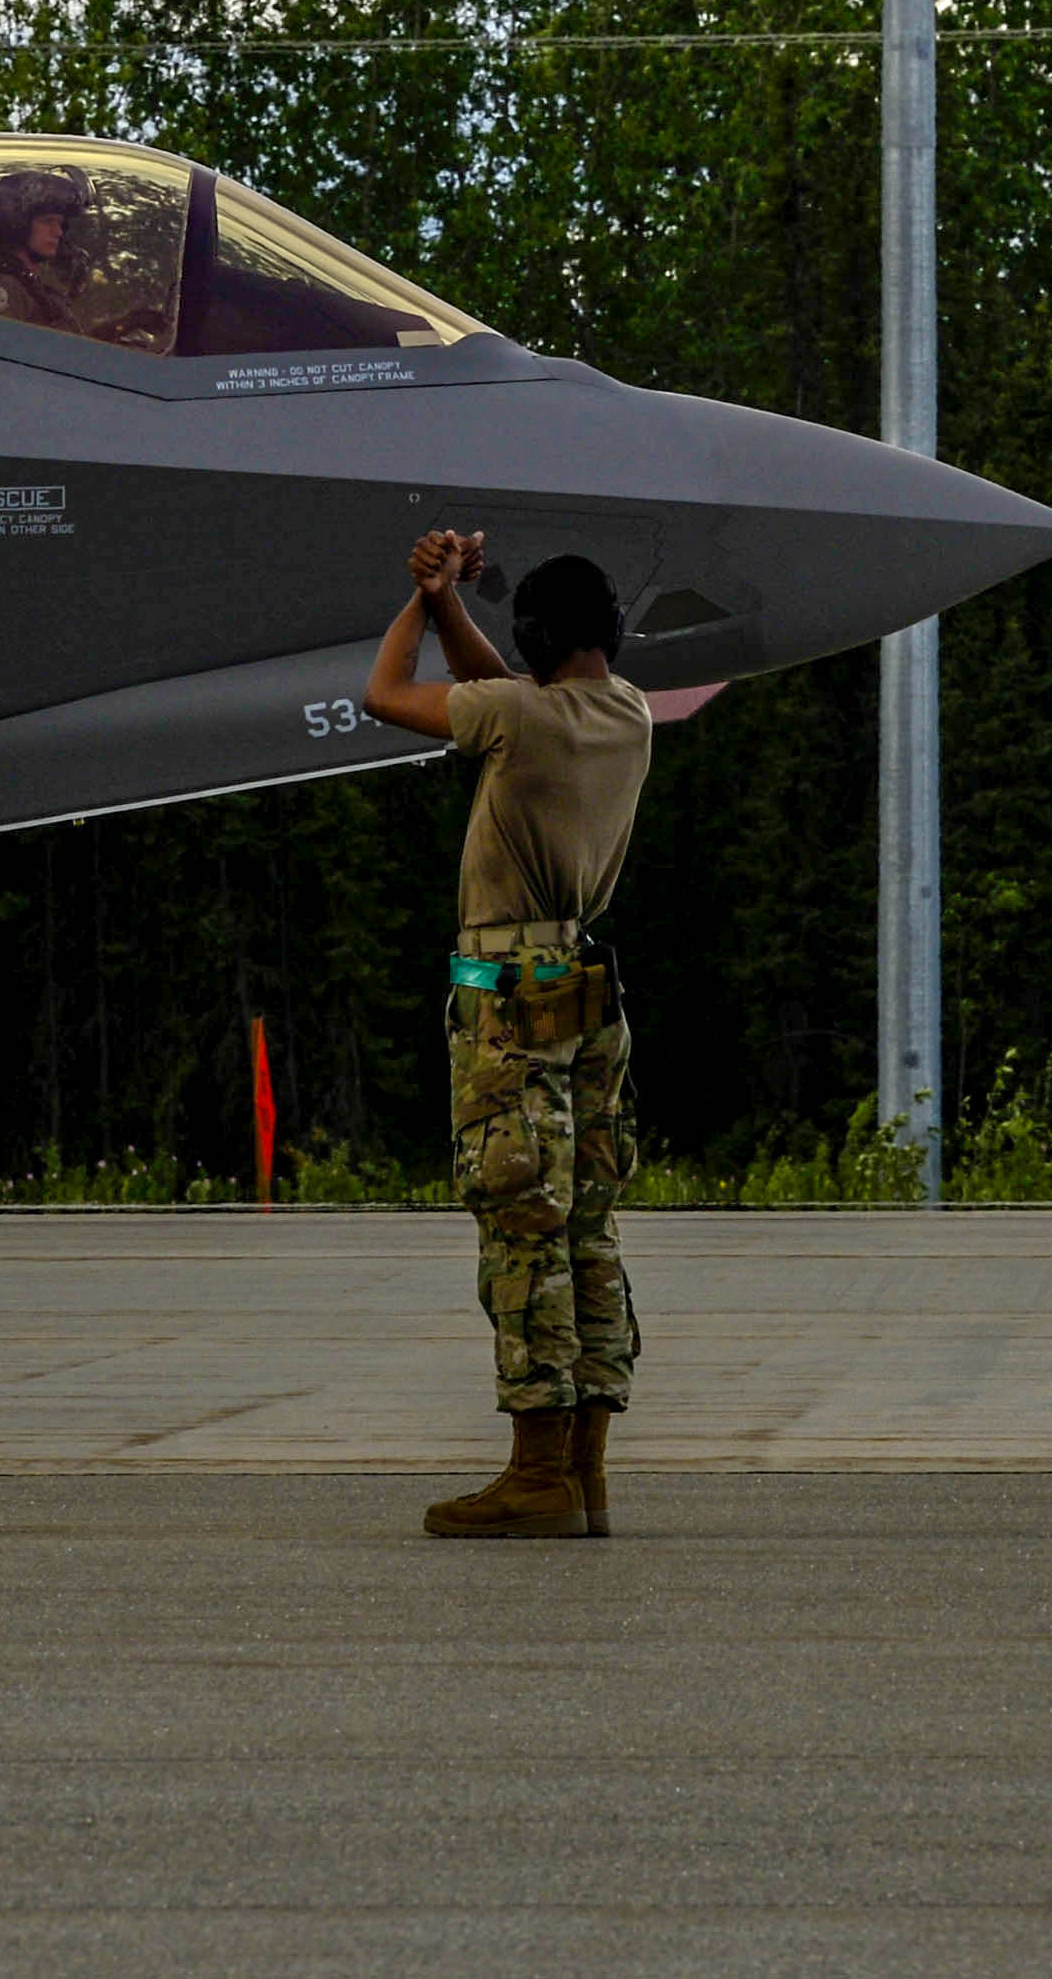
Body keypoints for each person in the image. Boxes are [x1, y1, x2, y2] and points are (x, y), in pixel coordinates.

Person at [367, 529, 653, 1539]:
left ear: (533, 636)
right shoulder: (622, 714)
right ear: (608, 636)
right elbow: (504, 695)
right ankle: (583, 1474)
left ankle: (535, 1479)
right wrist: (455, 604)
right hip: (581, 988)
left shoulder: (520, 717)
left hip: (509, 1002)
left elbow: (385, 693)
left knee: (520, 1224)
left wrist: (419, 600)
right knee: (584, 1229)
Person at [0, 171, 89, 331]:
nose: (58, 232)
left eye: (60, 223)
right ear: (16, 223)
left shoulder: (30, 286)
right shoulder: (5, 290)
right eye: (48, 221)